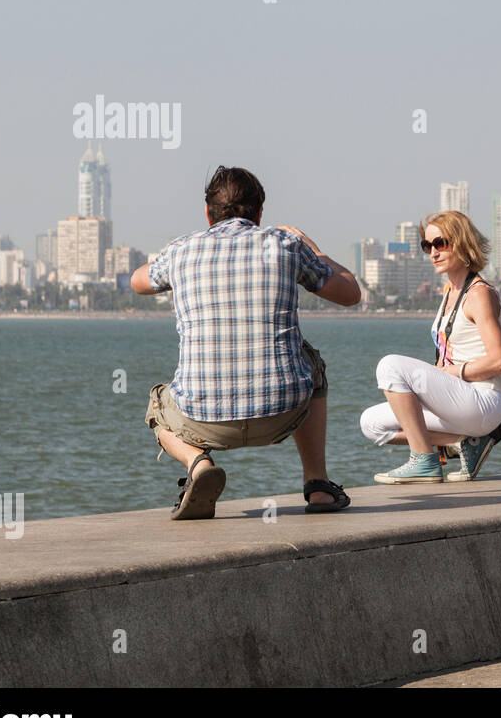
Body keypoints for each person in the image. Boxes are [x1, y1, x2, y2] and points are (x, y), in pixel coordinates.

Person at [131, 166, 362, 519]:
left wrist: (179, 259)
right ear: (260, 211)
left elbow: (137, 282)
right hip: (283, 411)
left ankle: (198, 463)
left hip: (202, 420)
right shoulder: (287, 245)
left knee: (157, 404)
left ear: (209, 213)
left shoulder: (181, 251)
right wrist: (313, 248)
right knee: (310, 361)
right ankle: (318, 486)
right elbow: (350, 294)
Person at [360, 210, 501, 483]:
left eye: (440, 243)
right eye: (427, 246)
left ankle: (424, 461)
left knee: (389, 365)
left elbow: (499, 362)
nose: (433, 252)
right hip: (458, 400)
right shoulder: (449, 291)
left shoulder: (479, 295)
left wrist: (445, 375)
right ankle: (465, 442)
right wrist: (436, 376)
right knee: (371, 423)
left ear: (462, 242)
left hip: (483, 400)